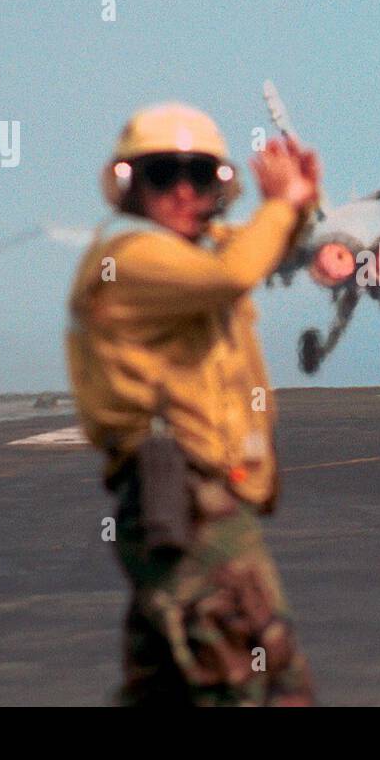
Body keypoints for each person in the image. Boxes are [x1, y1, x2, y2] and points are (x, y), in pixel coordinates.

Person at [66, 101, 319, 705]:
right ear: (130, 184)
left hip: (191, 504)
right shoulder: (129, 259)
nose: (183, 191)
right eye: (162, 175)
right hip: (188, 505)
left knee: (170, 690)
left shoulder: (191, 253)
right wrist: (282, 204)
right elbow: (235, 273)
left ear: (218, 187)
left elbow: (264, 250)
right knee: (263, 679)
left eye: (198, 176)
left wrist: (300, 205)